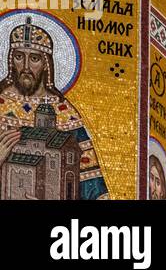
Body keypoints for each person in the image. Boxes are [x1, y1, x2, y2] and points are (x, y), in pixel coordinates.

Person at [0, 16, 107, 199]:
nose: (25, 67)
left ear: (46, 64)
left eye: (34, 58)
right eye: (19, 57)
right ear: (11, 60)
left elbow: (93, 187)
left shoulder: (65, 113)